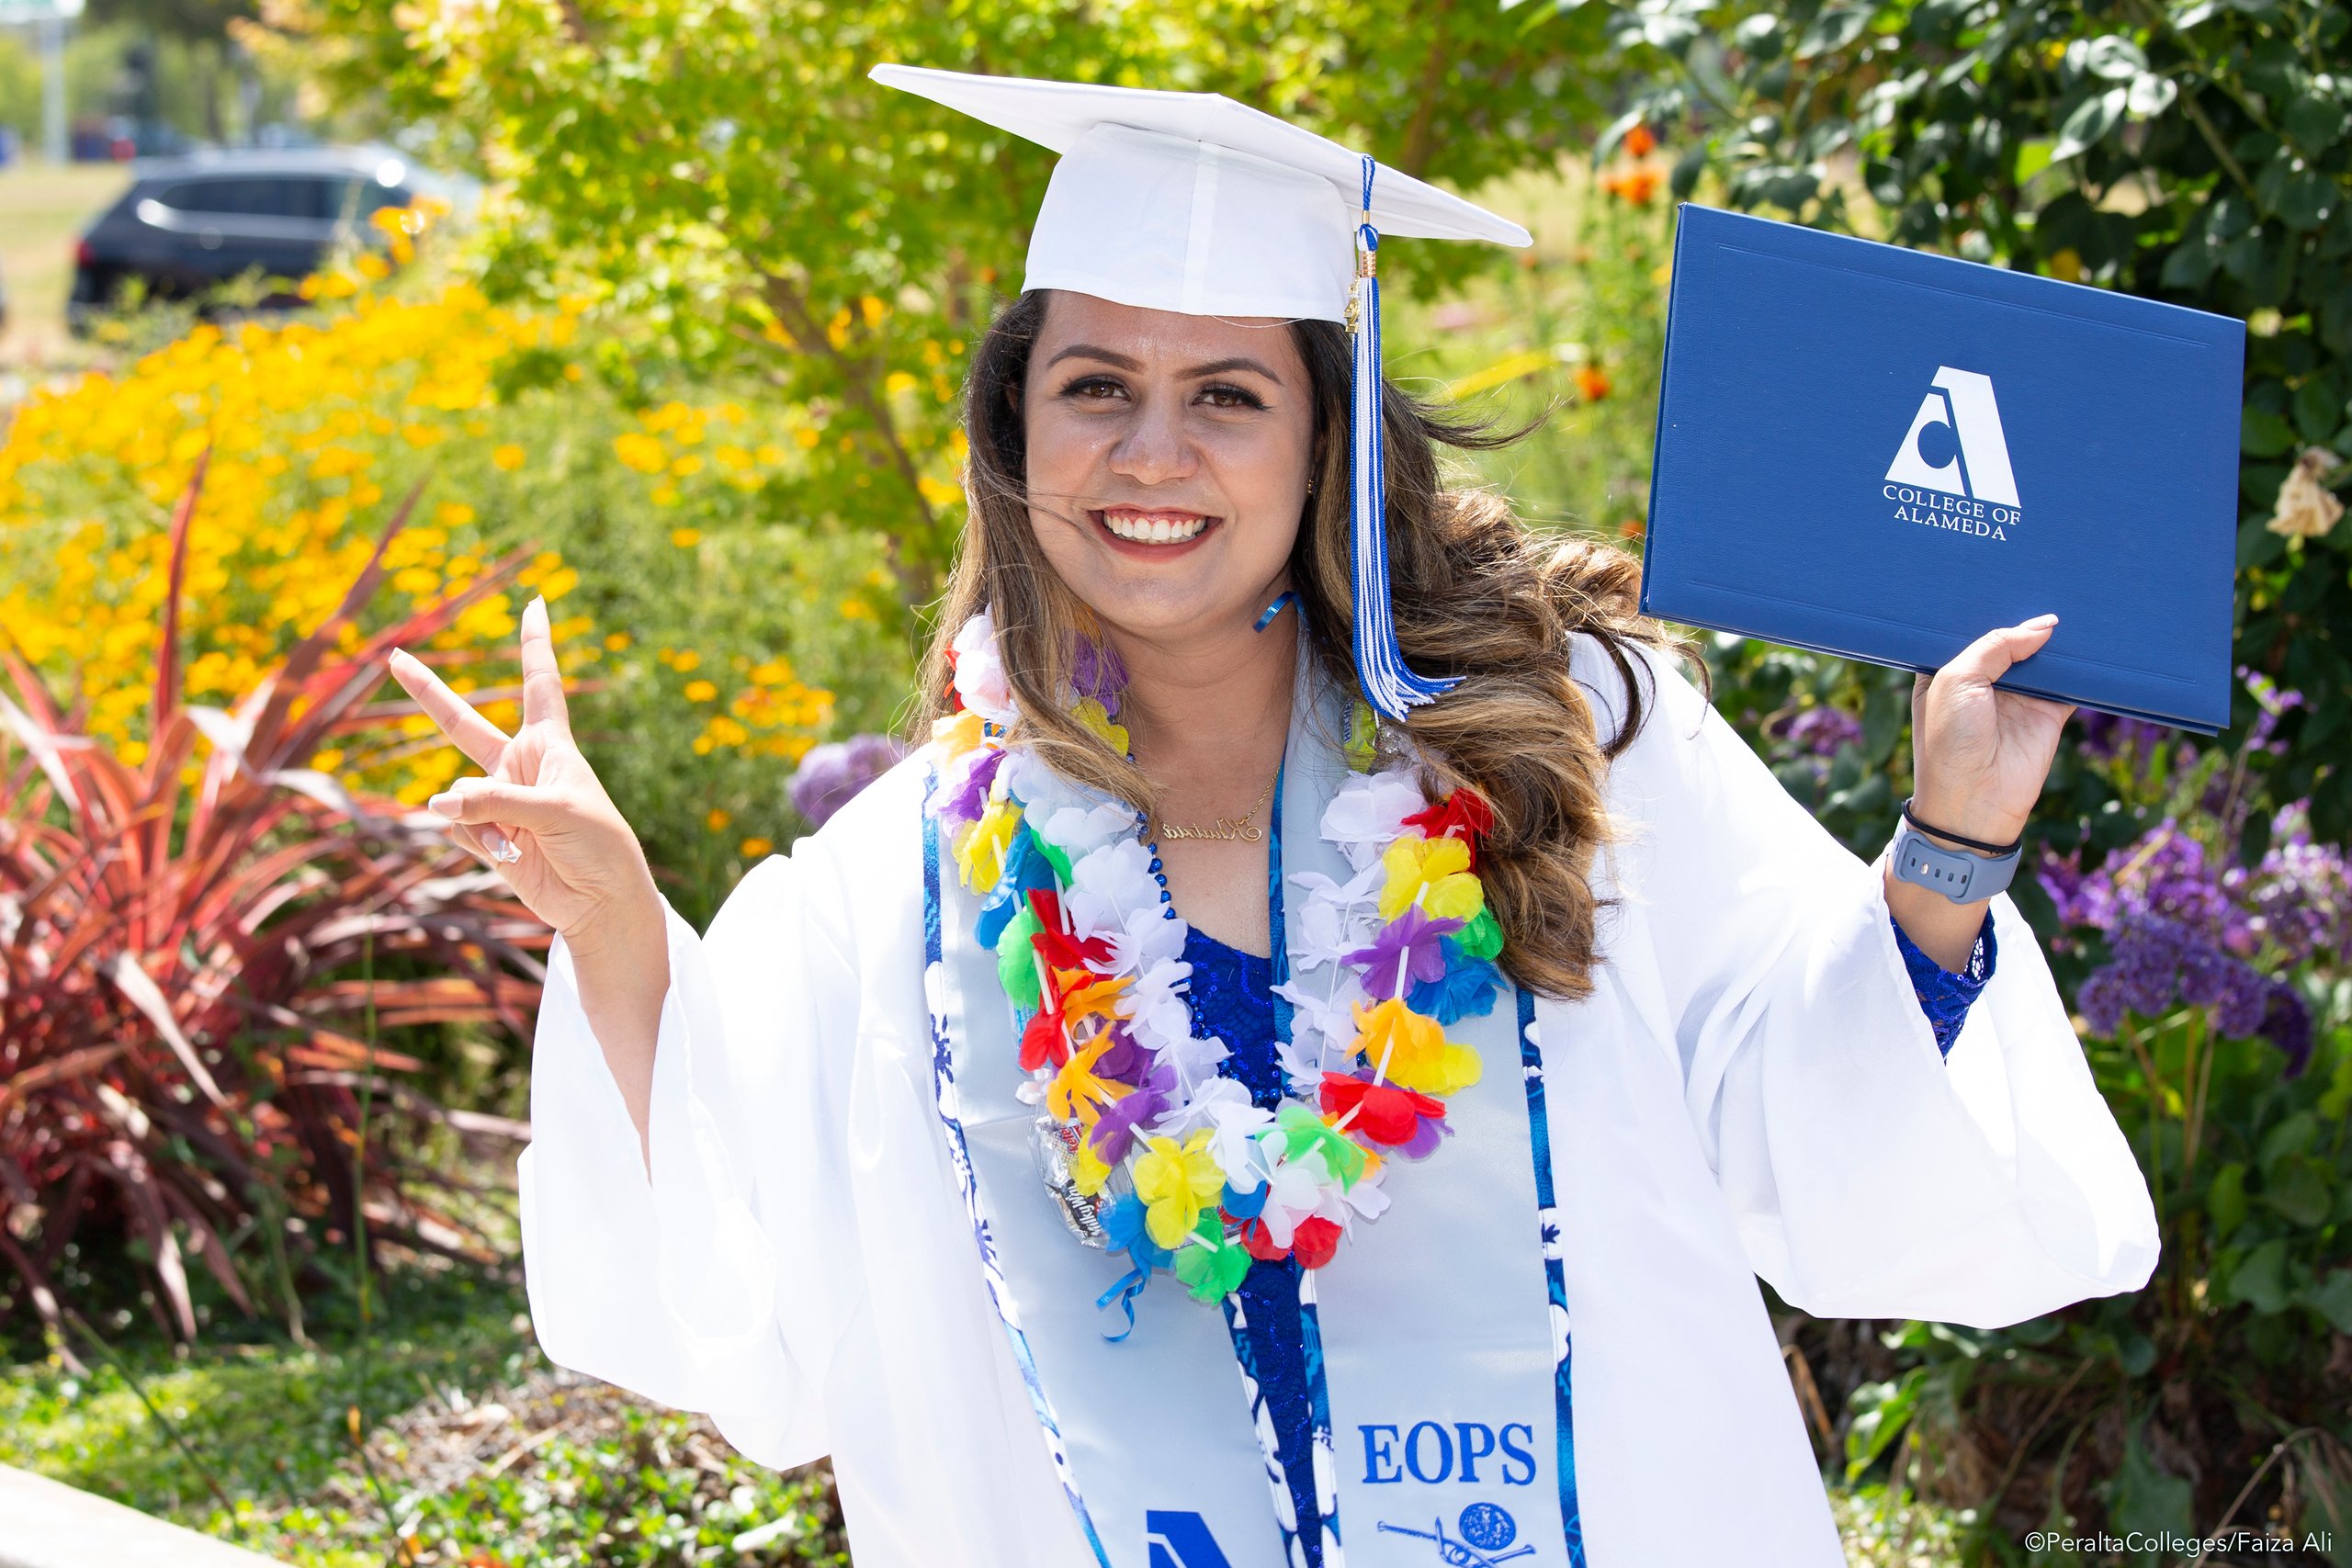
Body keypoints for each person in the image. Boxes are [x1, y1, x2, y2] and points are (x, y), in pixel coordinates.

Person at [387, 64, 2158, 1568]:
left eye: (1226, 396)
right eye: (1096, 389)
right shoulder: (909, 887)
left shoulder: (1569, 744)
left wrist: (1950, 837)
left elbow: (1810, 1108)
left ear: (1328, 437)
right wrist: (616, 925)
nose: (1151, 457)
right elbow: (753, 1279)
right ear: (1016, 431)